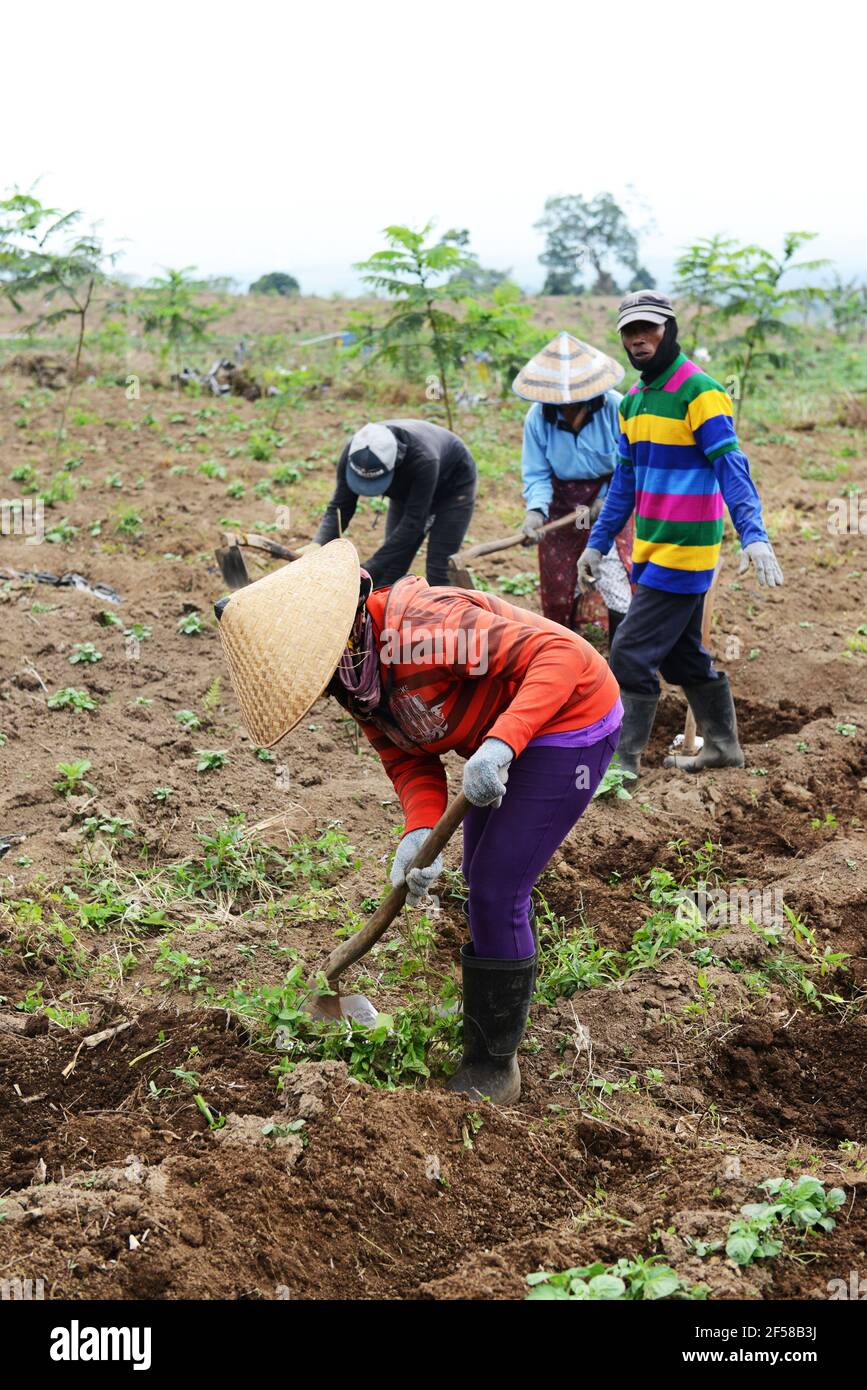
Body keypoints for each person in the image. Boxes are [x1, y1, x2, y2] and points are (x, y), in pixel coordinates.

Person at [216, 539, 622, 1104]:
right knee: (481, 878)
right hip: (503, 738)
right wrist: (416, 834)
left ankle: (493, 1067)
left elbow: (564, 658)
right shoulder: (355, 675)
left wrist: (503, 743)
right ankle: (488, 1013)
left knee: (498, 890)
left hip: (566, 718)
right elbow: (408, 758)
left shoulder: (422, 629)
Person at [578, 291, 783, 776]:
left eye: (648, 328)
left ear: (669, 329)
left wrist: (753, 533)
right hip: (651, 549)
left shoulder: (700, 392)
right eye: (629, 332)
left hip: (686, 549)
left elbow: (732, 466)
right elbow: (624, 483)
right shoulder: (632, 402)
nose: (638, 339)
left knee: (628, 652)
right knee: (682, 657)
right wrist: (597, 541)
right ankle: (723, 747)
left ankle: (622, 762)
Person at [513, 332, 633, 643]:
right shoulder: (537, 419)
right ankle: (565, 647)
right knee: (558, 580)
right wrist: (536, 513)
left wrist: (607, 500)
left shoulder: (616, 409)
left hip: (613, 497)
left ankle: (622, 658)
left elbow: (628, 464)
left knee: (613, 572)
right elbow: (537, 473)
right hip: (562, 502)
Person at [308, 419, 476, 587]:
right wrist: (317, 545)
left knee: (439, 572)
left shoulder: (424, 459)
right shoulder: (354, 451)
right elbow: (340, 507)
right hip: (407, 489)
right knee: (389, 571)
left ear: (395, 463)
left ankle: (449, 610)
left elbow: (413, 522)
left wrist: (368, 569)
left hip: (453, 488)